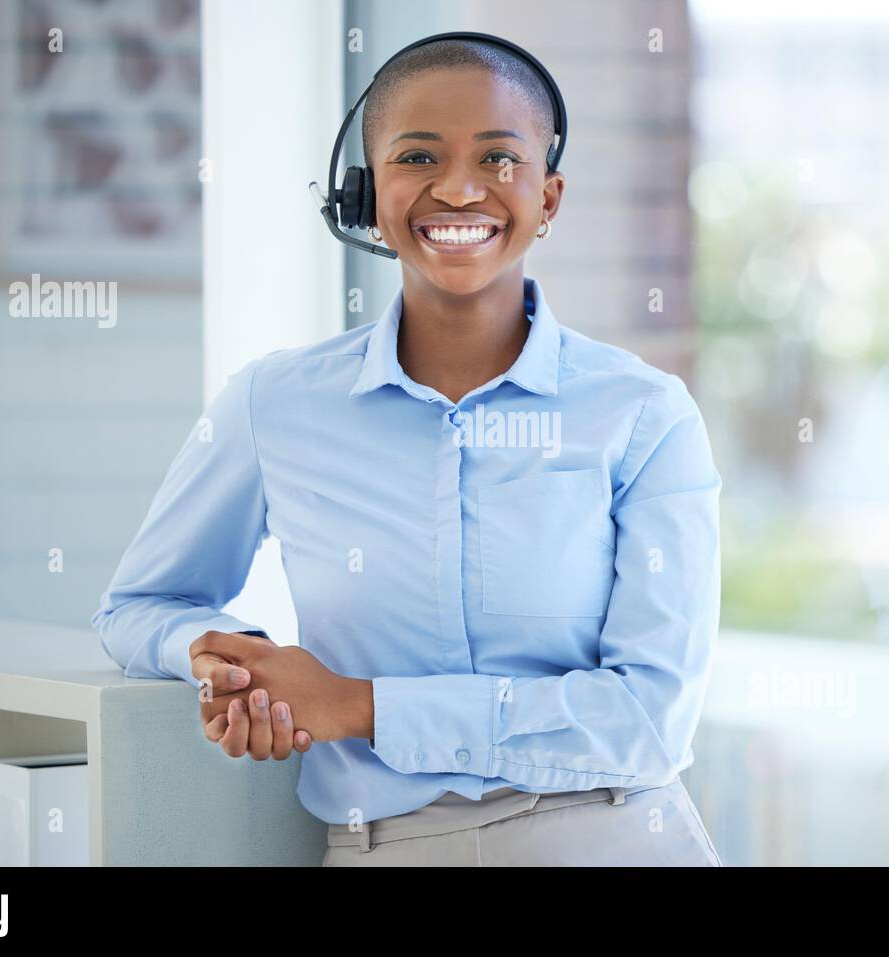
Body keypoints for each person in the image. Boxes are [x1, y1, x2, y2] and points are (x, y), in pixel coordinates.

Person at [91, 35, 724, 867]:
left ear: (548, 197)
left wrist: (359, 706)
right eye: (417, 155)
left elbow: (648, 721)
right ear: (365, 193)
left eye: (499, 158)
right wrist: (231, 662)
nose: (459, 188)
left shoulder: (644, 416)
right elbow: (138, 607)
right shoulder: (274, 404)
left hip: (609, 838)